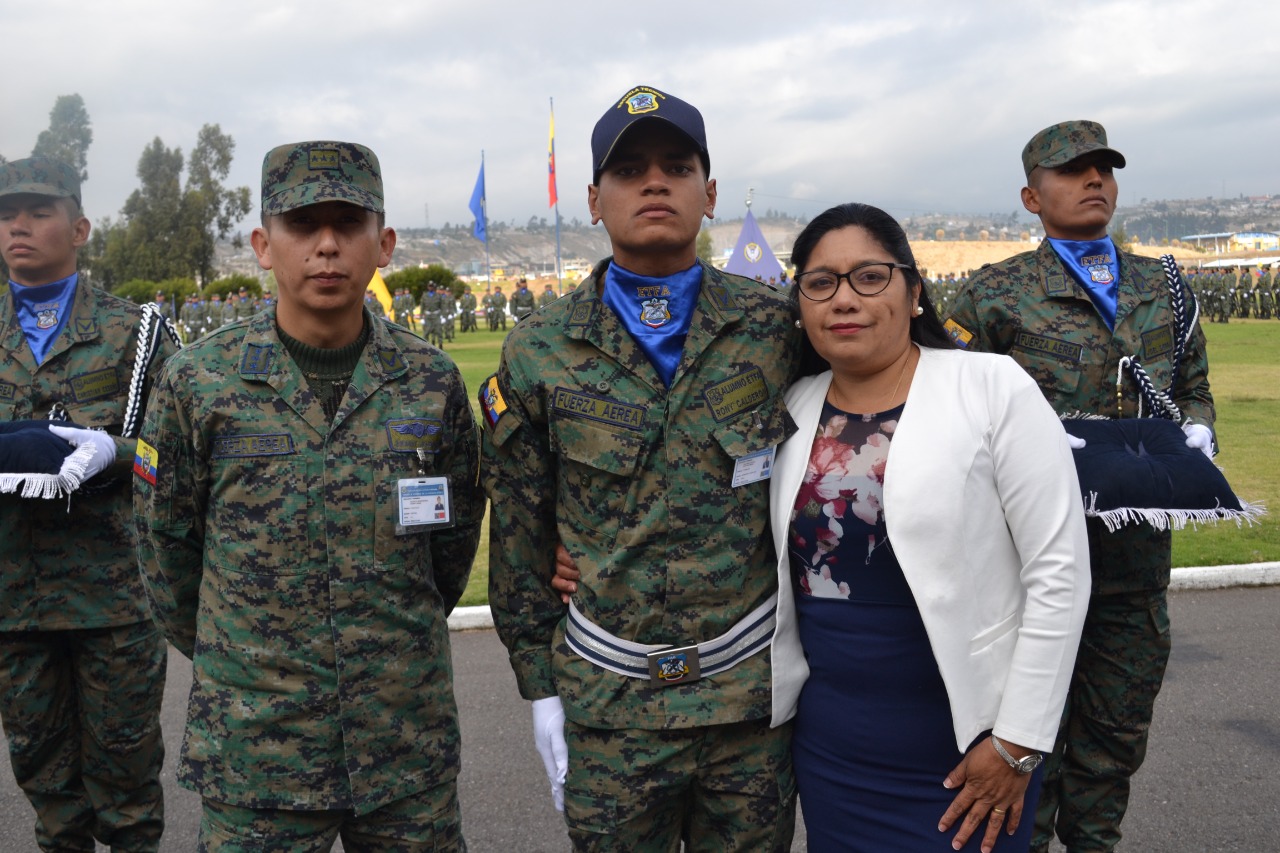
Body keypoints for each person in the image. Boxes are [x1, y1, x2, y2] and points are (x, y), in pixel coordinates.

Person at [133, 140, 483, 851]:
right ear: (264, 244)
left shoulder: (432, 382)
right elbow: (167, 556)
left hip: (401, 745)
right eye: (302, 225)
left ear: (383, 243)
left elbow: (450, 551)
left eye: (348, 224)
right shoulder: (199, 383)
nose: (327, 245)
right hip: (258, 749)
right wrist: (247, 656)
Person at [481, 84, 802, 850]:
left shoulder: (776, 328)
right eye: (629, 171)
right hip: (609, 707)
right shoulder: (540, 348)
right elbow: (520, 535)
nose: (654, 183)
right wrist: (542, 688)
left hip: (748, 708)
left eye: (676, 165)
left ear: (710, 192)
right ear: (594, 199)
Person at [771, 202, 1089, 852]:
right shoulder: (791, 410)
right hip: (832, 750)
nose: (844, 298)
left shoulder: (991, 386)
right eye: (820, 281)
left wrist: (1018, 743)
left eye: (869, 276)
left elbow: (1059, 570)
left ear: (914, 291)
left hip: (970, 753)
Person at [945, 120, 1215, 853]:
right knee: (1030, 747)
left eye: (1103, 168)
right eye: (1072, 171)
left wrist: (1197, 430)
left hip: (1131, 570)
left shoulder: (1162, 284)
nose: (1093, 180)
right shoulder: (995, 293)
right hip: (1028, 571)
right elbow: (948, 404)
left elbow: (1192, 384)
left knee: (1115, 743)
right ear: (1032, 195)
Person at [0, 156, 173, 851]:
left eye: (39, 210)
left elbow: (178, 447)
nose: (18, 223)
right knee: (48, 789)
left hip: (114, 598)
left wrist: (117, 453)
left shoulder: (135, 332)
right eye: (8, 211)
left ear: (79, 227)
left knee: (127, 790)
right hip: (13, 597)